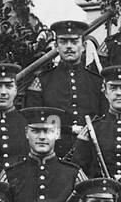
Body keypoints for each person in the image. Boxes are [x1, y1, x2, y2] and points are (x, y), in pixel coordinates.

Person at [5, 106, 84, 202]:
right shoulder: (11, 174)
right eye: (35, 131)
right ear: (26, 133)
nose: (42, 137)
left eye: (48, 131)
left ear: (57, 134)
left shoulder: (73, 173)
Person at [25, 18, 104, 158]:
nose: (69, 46)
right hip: (55, 154)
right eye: (63, 42)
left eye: (74, 42)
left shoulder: (96, 81)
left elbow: (104, 120)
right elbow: (34, 123)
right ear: (56, 46)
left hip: (91, 152)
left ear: (84, 45)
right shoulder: (42, 82)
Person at [73, 66, 121, 180]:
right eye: (113, 88)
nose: (118, 93)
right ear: (105, 92)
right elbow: (78, 167)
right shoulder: (93, 128)